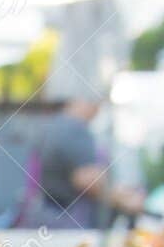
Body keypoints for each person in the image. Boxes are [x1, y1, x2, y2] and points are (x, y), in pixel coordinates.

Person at [21, 97, 146, 228]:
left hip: (45, 218)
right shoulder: (75, 130)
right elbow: (88, 180)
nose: (97, 110)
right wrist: (125, 200)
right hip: (69, 224)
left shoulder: (51, 127)